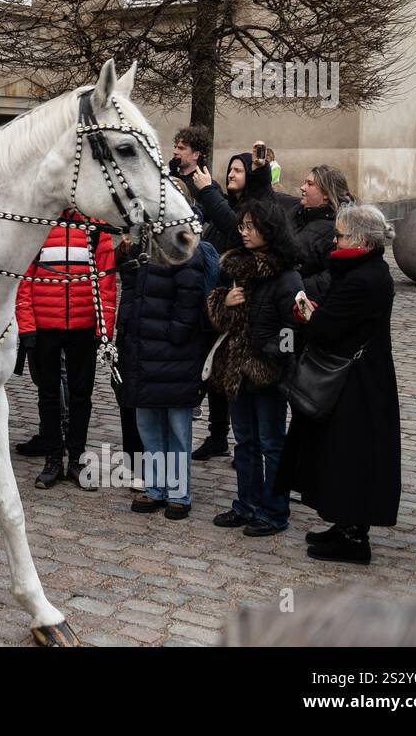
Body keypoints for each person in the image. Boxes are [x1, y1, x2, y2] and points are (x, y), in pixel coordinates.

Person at [277, 204, 400, 564]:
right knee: (337, 454)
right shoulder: (360, 270)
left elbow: (327, 328)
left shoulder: (364, 278)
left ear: (360, 240)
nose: (334, 240)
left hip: (355, 381)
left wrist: (306, 315)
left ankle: (353, 537)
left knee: (350, 456)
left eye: (341, 235)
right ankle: (343, 525)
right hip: (352, 377)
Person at [206, 199, 303, 537]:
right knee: (245, 442)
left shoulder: (286, 277)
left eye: (251, 226)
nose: (244, 232)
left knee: (271, 443)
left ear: (269, 230)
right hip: (237, 373)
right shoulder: (236, 269)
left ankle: (274, 511)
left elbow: (294, 333)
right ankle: (245, 505)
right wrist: (224, 303)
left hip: (267, 376)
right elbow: (223, 322)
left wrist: (266, 358)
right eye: (242, 226)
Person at [115, 179, 208, 519]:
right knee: (149, 426)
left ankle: (179, 495)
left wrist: (173, 336)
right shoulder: (144, 241)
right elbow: (131, 289)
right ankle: (155, 488)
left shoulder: (185, 243)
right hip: (142, 349)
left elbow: (189, 299)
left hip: (172, 352)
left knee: (177, 430)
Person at [15, 210, 117, 490]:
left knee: (81, 396)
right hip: (45, 326)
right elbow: (24, 280)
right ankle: (52, 460)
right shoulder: (39, 225)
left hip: (84, 326)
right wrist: (27, 326)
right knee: (47, 395)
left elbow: (106, 284)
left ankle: (76, 460)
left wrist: (103, 329)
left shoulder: (96, 229)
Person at [189, 144, 276, 461]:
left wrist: (208, 190)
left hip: (243, 306)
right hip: (220, 300)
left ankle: (245, 445)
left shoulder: (254, 209)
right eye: (229, 170)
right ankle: (217, 435)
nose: (230, 174)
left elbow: (233, 225)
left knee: (236, 379)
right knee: (216, 374)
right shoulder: (225, 205)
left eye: (238, 170)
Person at [289, 165, 353, 302]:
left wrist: (297, 287)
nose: (302, 187)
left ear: (326, 194)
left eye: (310, 184)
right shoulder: (297, 212)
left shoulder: (338, 229)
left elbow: (334, 275)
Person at [168, 125, 212, 200]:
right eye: (175, 147)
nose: (175, 152)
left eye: (181, 148)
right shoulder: (170, 177)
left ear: (195, 155)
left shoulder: (205, 185)